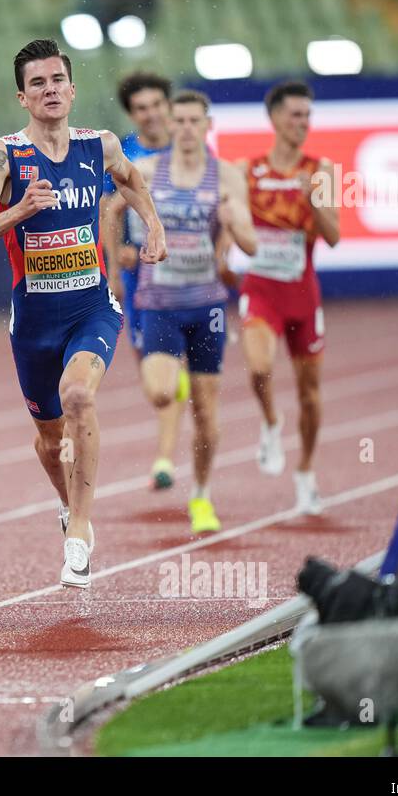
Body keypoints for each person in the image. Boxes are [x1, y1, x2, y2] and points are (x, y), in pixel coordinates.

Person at [0, 39, 167, 588]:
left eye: (57, 81)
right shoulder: (4, 156)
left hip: (92, 306)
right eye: (38, 84)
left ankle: (82, 530)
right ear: (22, 97)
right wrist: (19, 211)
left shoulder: (100, 144)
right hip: (34, 321)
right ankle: (70, 507)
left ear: (72, 89)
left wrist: (155, 227)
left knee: (79, 396)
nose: (50, 91)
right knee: (50, 440)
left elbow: (131, 180)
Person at [132, 90, 256, 534]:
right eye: (178, 121)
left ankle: (201, 495)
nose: (185, 129)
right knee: (163, 393)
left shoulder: (226, 177)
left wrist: (234, 219)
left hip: (208, 306)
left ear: (207, 126)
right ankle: (175, 375)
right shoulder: (145, 172)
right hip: (160, 304)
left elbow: (251, 245)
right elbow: (112, 210)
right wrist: (117, 261)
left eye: (192, 121)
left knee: (206, 411)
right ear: (169, 125)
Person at [233, 81, 339, 515]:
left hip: (303, 295)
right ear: (274, 118)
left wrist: (311, 198)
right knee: (259, 368)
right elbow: (233, 227)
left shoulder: (321, 169)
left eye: (307, 116)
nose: (302, 123)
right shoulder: (246, 169)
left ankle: (306, 471)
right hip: (261, 291)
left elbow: (333, 236)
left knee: (310, 394)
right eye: (294, 115)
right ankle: (272, 422)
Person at [99, 72, 189, 492]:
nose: (151, 114)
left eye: (157, 105)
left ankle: (165, 458)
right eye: (141, 109)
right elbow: (108, 210)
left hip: (191, 276)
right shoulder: (122, 153)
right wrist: (116, 265)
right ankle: (172, 385)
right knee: (155, 383)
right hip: (143, 280)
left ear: (168, 106)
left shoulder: (191, 145)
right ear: (131, 114)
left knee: (187, 381)